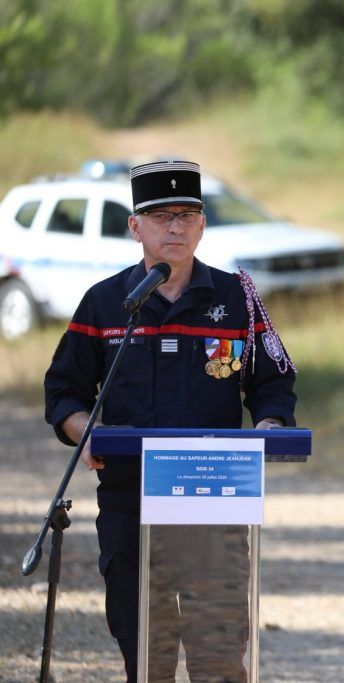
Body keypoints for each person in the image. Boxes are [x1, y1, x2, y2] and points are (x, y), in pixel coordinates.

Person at [44, 160, 297, 681]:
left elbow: (272, 380)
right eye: (161, 217)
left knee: (219, 655)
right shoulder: (105, 303)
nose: (175, 227)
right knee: (147, 657)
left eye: (187, 215)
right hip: (131, 501)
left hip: (216, 500)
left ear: (204, 224)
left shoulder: (237, 299)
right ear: (135, 227)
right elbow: (64, 390)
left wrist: (270, 423)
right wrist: (83, 430)